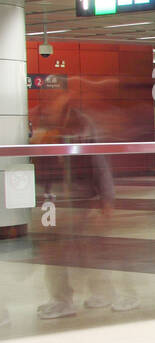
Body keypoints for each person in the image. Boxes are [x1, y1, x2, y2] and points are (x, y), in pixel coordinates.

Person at [35, 103, 139, 319]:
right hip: (55, 200)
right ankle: (63, 298)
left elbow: (99, 164)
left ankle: (99, 294)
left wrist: (107, 199)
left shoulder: (83, 129)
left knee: (88, 251)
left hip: (79, 199)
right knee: (57, 251)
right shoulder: (46, 130)